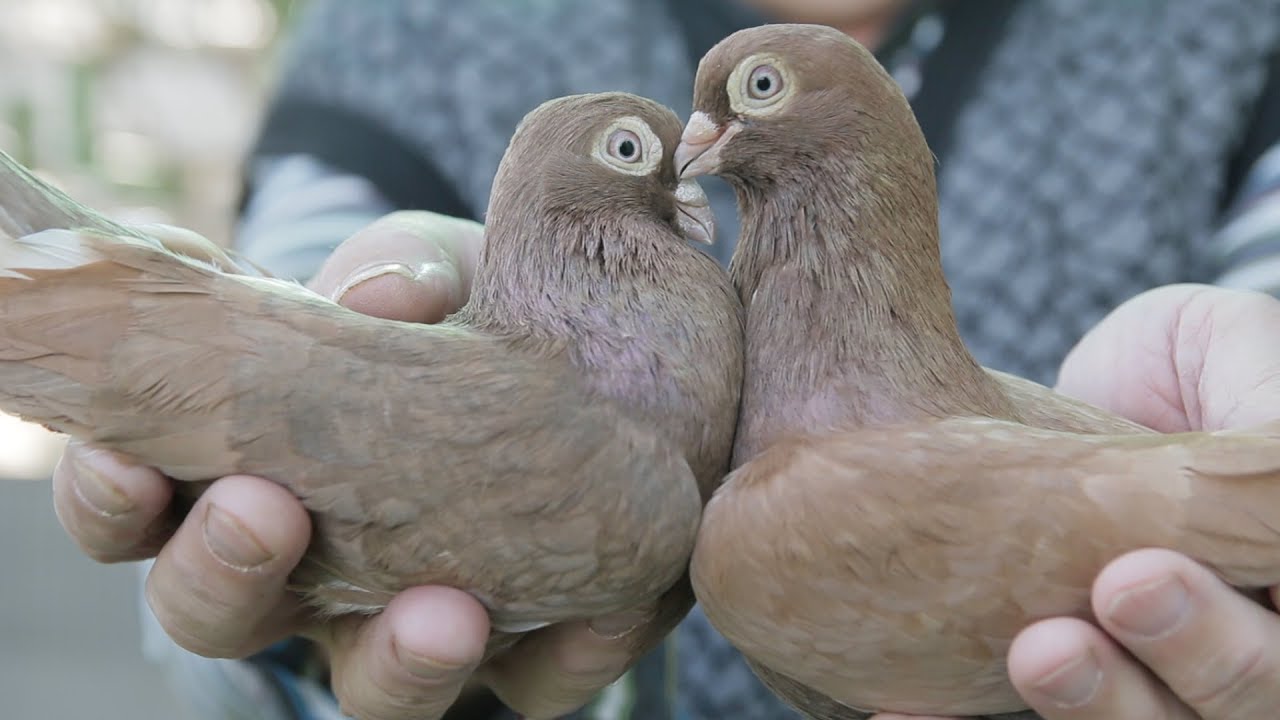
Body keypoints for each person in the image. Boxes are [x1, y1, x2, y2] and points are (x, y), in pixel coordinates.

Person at [50, 0, 1280, 718]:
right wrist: (293, 637)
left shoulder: (1227, 31)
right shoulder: (409, 27)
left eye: (745, 96)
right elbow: (229, 515)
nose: (695, 145)